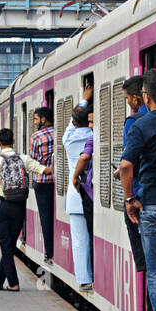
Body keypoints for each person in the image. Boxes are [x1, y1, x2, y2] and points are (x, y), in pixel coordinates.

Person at [119, 68, 156, 311]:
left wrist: (129, 200)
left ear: (145, 98)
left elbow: (126, 165)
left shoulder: (140, 126)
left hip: (150, 204)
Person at [0, 128, 51, 291]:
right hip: (19, 206)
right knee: (9, 245)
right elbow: (45, 170)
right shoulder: (23, 159)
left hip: (2, 205)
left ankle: (13, 283)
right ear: (13, 141)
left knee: (5, 245)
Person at [118, 76, 150, 311]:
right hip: (155, 196)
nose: (128, 103)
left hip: (138, 198)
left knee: (145, 261)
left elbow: (128, 162)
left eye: (128, 99)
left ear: (137, 98)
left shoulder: (135, 122)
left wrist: (129, 198)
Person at [62, 89, 96, 291]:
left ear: (74, 122)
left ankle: (84, 278)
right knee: (93, 236)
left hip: (74, 195)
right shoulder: (94, 135)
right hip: (91, 192)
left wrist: (84, 99)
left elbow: (71, 122)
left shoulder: (68, 138)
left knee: (79, 239)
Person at [29, 106, 57, 264]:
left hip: (42, 182)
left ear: (43, 119)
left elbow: (33, 161)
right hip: (57, 181)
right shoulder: (59, 132)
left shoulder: (36, 136)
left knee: (46, 218)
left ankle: (50, 253)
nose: (35, 122)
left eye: (36, 119)